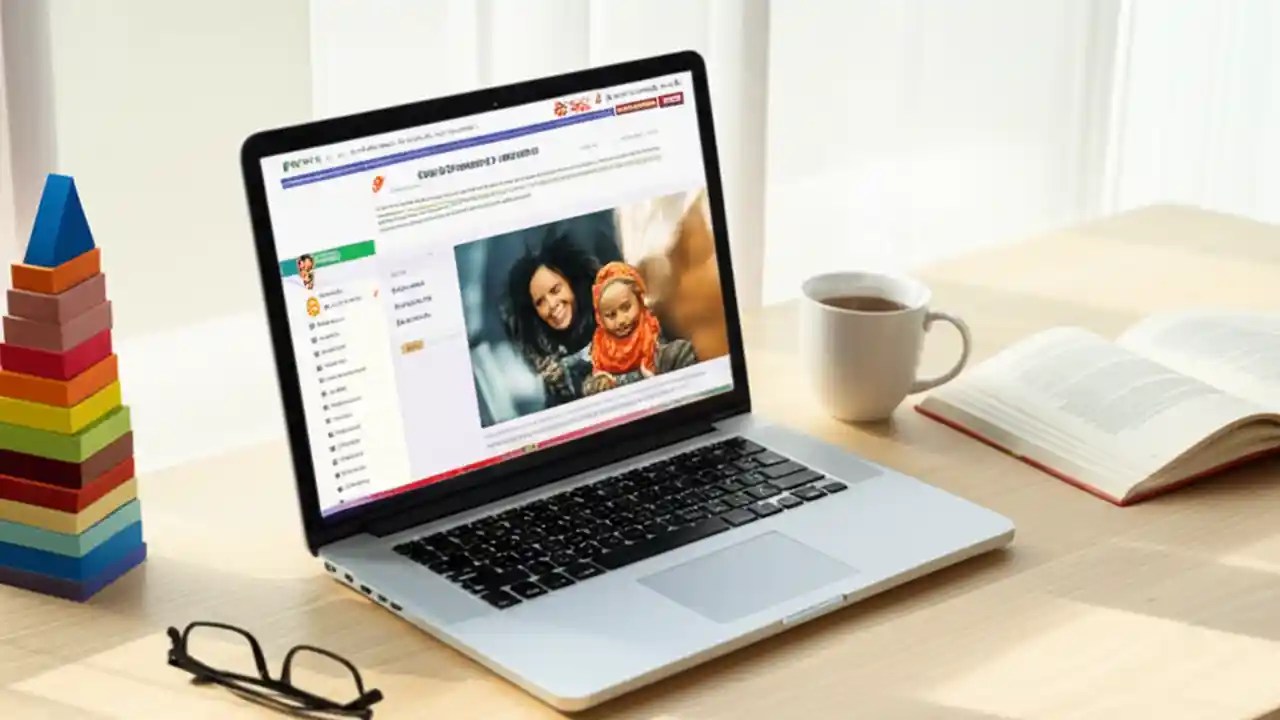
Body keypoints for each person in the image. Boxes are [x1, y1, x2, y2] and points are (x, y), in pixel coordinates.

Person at [501, 235, 601, 405]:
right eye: (540, 302)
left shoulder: (614, 320)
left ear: (573, 283)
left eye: (555, 290)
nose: (552, 305)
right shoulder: (553, 373)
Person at [572, 262, 696, 394]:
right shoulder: (596, 356)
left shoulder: (669, 349)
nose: (621, 320)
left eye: (626, 308)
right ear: (600, 319)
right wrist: (599, 386)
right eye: (610, 315)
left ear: (639, 299)